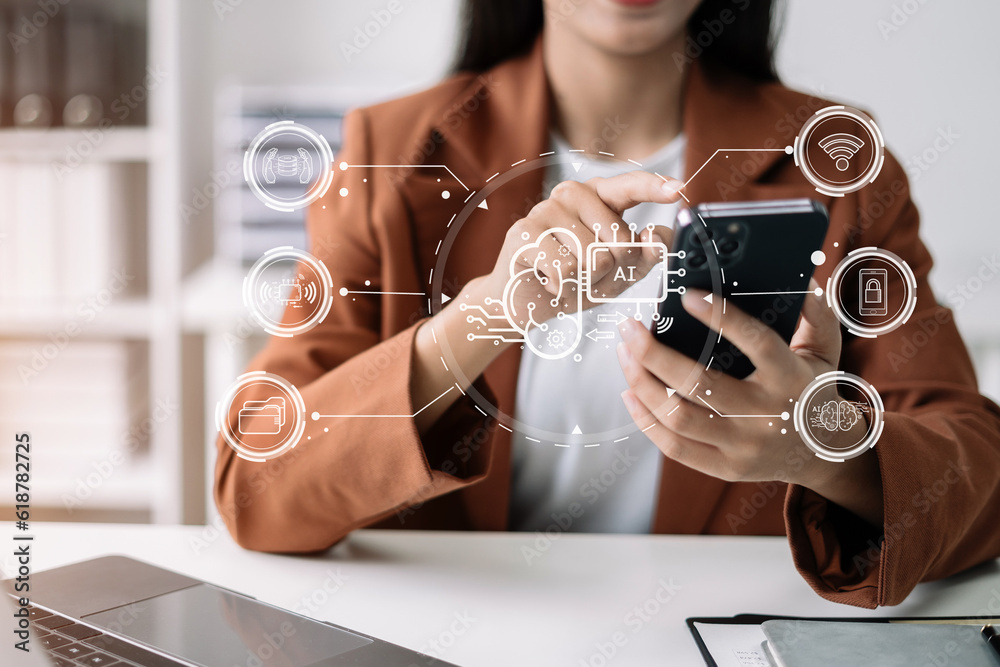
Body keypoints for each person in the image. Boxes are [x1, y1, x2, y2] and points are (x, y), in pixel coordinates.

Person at [215, 0, 1000, 609]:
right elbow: (254, 485)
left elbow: (980, 479)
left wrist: (821, 443)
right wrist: (483, 318)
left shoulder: (841, 166)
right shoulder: (394, 151)